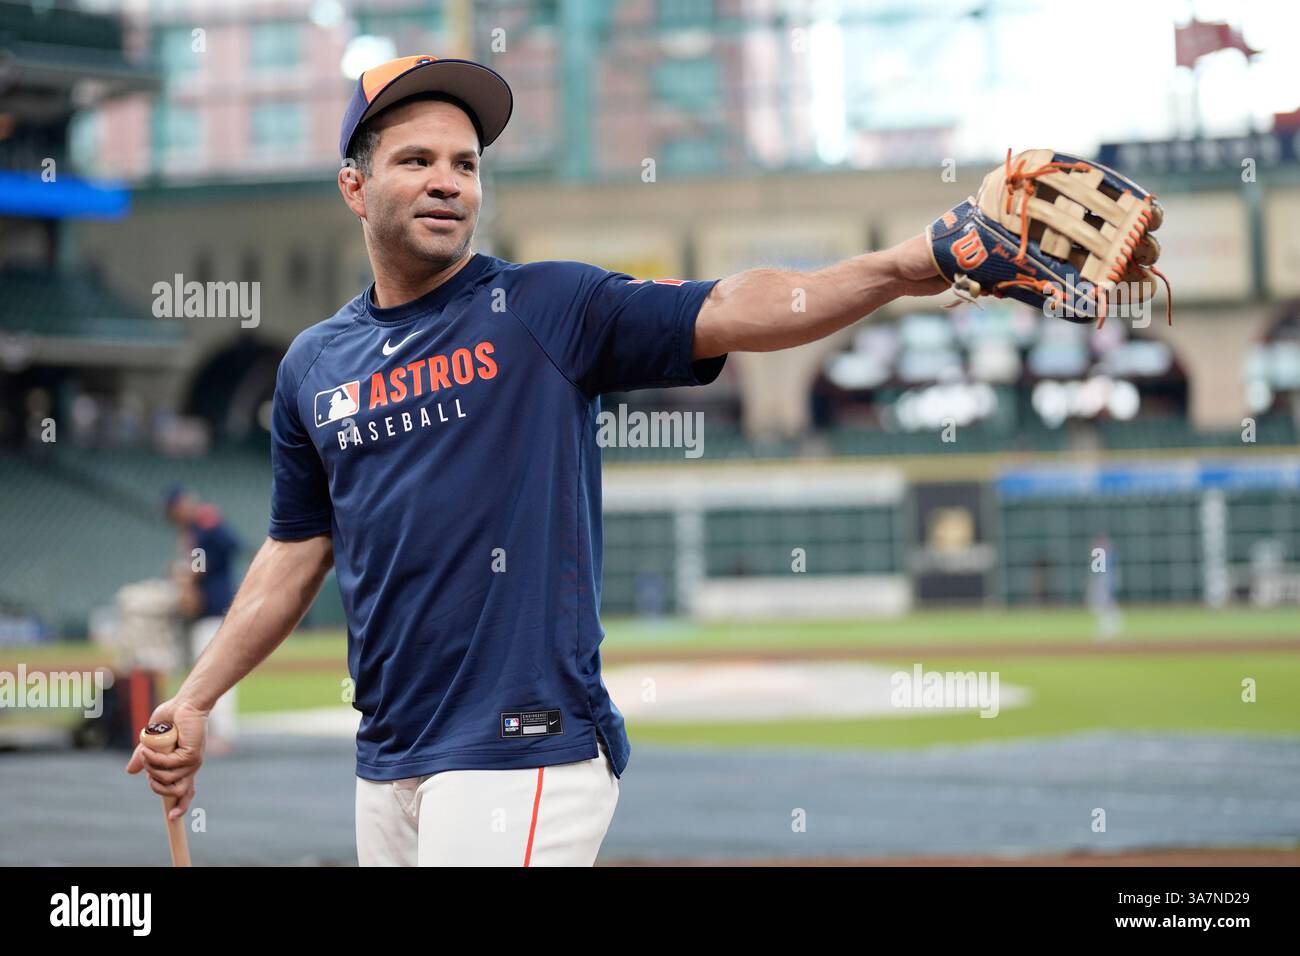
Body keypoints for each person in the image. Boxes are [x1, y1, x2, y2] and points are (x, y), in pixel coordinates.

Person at [128, 54, 948, 866]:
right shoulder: (312, 364)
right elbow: (297, 547)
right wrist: (197, 697)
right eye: (416, 161)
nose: (448, 181)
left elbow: (733, 305)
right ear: (354, 186)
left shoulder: (545, 308)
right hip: (387, 759)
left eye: (466, 164)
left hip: (524, 747)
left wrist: (906, 266)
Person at [162, 484, 241, 752]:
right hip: (204, 614)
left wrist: (188, 577)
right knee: (201, 673)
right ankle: (207, 730)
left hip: (215, 611)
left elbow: (229, 546)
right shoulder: (195, 528)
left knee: (217, 673)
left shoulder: (205, 524)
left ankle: (223, 733)